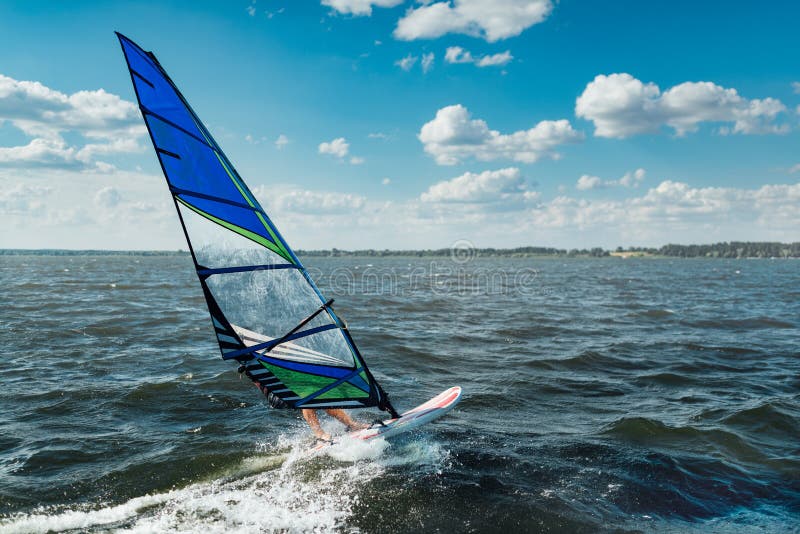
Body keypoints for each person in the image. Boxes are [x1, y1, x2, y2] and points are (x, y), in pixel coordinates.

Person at [254, 381, 368, 441]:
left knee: (320, 395)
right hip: (277, 396)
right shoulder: (254, 362)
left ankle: (351, 425)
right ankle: (320, 434)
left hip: (291, 388)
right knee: (307, 397)